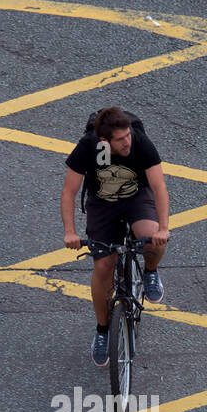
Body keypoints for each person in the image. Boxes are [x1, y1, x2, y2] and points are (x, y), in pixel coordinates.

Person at [61, 107, 170, 367]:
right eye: (120, 139)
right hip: (102, 204)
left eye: (128, 136)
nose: (127, 142)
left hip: (136, 198)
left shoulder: (139, 141)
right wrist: (70, 232)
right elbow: (69, 191)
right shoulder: (88, 146)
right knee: (103, 266)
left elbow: (158, 186)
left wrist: (163, 228)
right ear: (104, 141)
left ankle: (151, 271)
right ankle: (102, 330)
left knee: (151, 237)